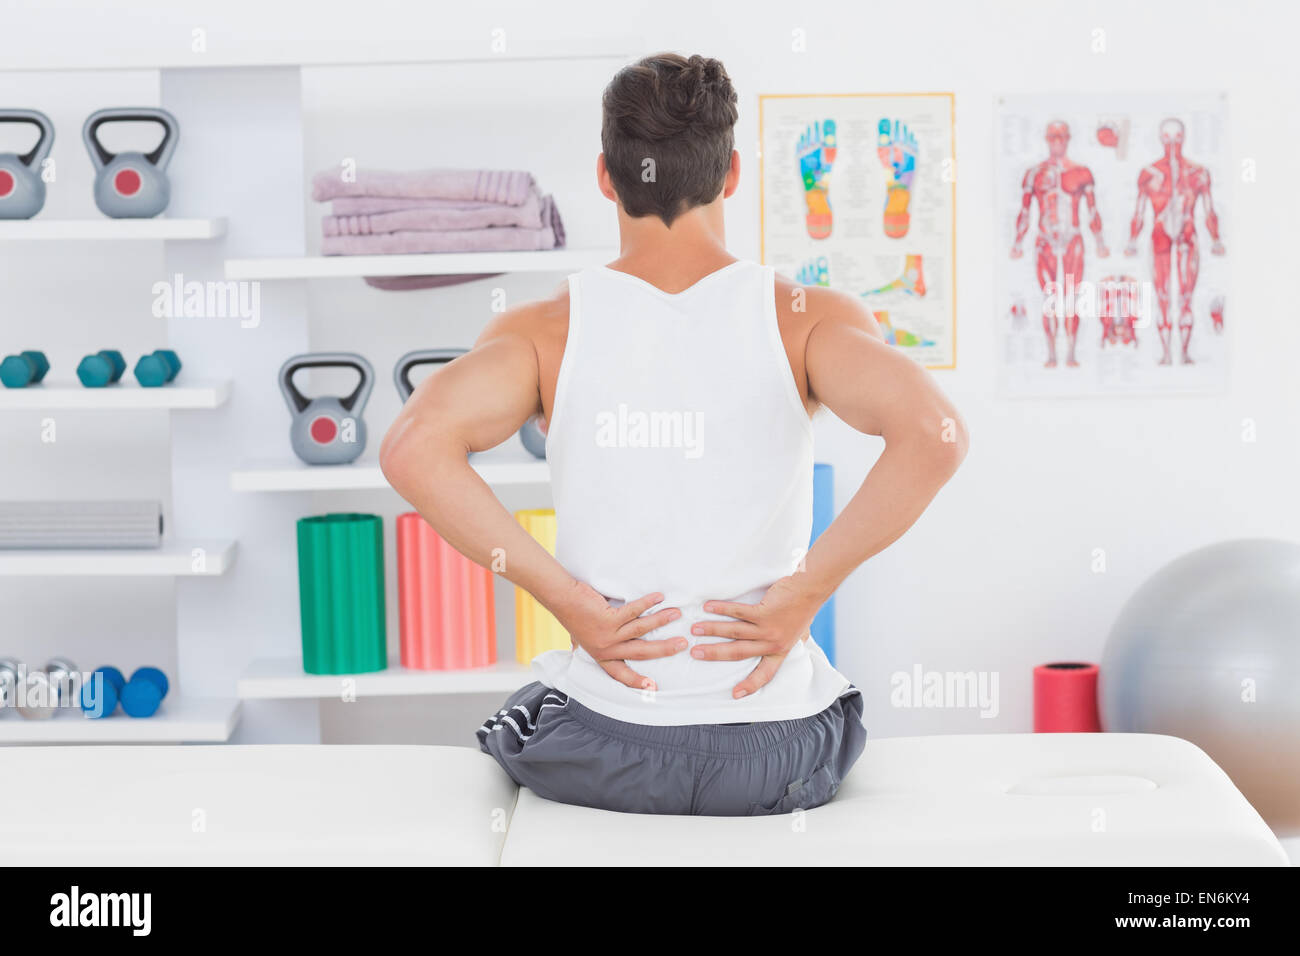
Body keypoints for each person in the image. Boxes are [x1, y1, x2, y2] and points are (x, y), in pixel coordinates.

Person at [381, 53, 968, 816]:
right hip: (775, 751)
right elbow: (937, 432)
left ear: (604, 176)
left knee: (524, 712)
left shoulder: (541, 331)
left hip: (612, 746)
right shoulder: (811, 320)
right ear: (730, 176)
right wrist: (804, 596)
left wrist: (569, 603)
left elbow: (409, 448)